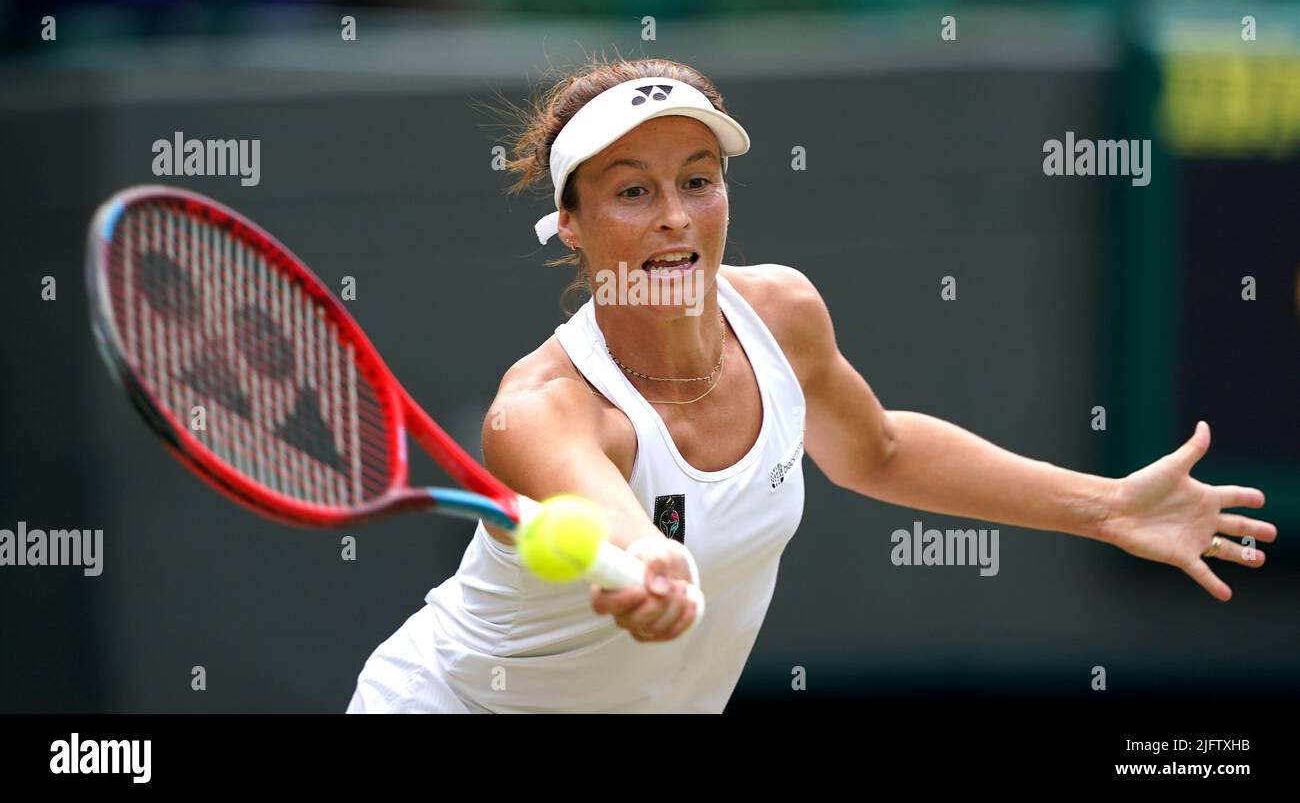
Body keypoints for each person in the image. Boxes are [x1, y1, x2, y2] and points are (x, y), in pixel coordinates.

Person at [346, 55, 1277, 713]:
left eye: (698, 181)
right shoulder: (542, 409)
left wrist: (1106, 506)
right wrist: (653, 563)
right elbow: (616, 524)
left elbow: (879, 450)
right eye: (632, 192)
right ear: (573, 225)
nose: (675, 218)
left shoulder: (783, 314)